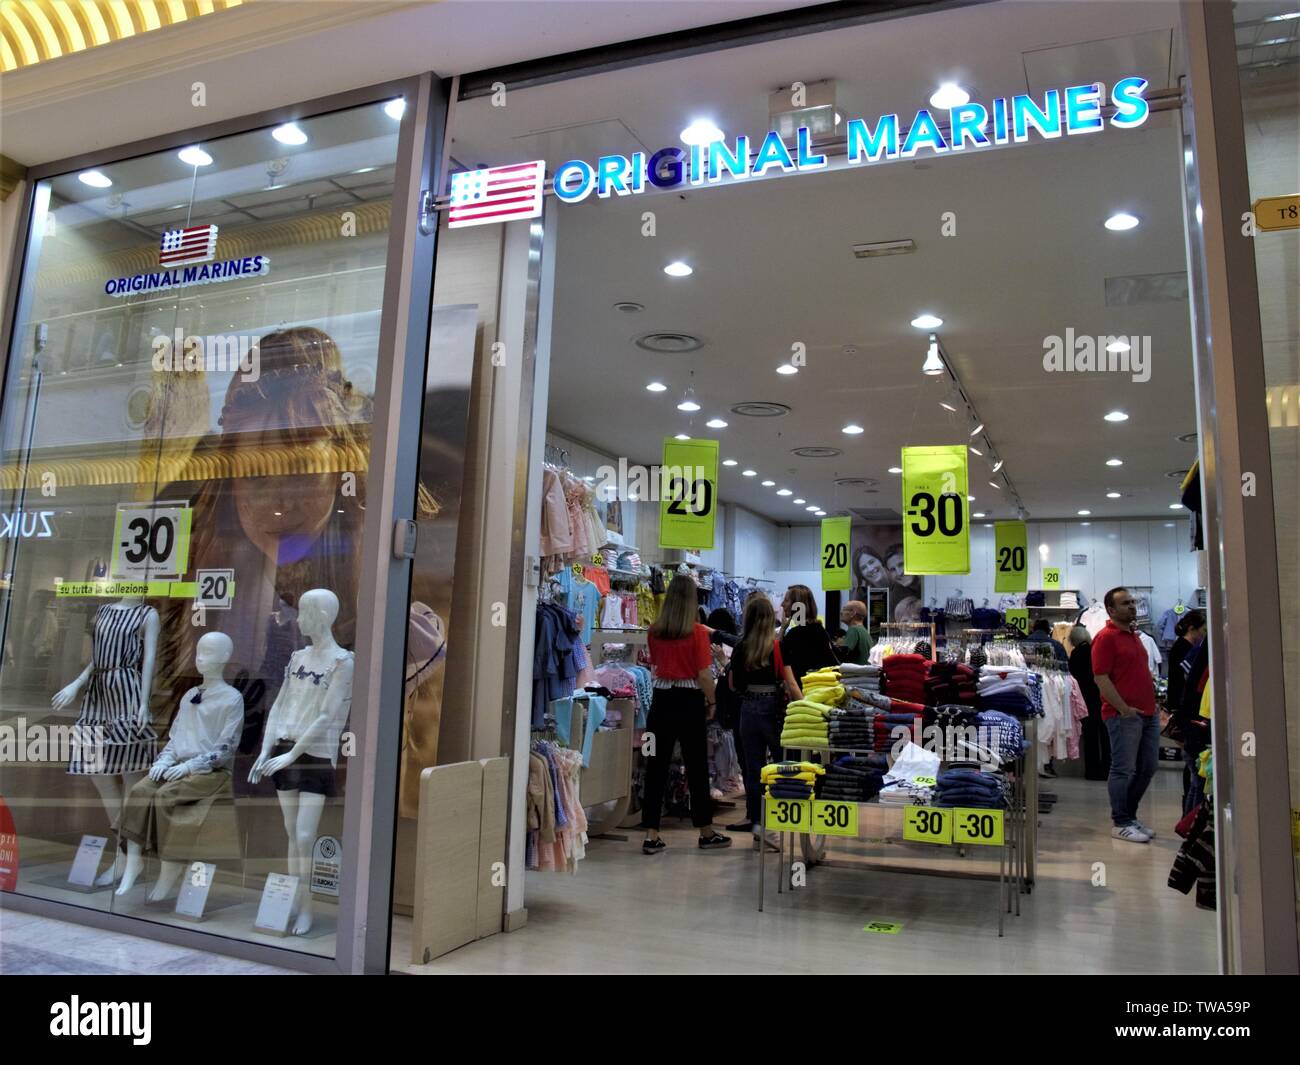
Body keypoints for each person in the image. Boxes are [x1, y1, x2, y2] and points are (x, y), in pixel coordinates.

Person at [641, 575, 731, 853]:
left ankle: (651, 834)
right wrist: (714, 700)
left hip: (661, 699)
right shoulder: (698, 633)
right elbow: (704, 675)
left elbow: (657, 665)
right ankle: (705, 831)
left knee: (655, 766)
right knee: (696, 766)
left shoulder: (654, 630)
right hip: (690, 701)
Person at [726, 596, 802, 842]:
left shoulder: (741, 647)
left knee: (754, 768)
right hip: (774, 709)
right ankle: (781, 819)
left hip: (748, 708)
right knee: (782, 765)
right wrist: (804, 708)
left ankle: (758, 822)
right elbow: (790, 683)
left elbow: (732, 684)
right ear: (771, 619)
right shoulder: (778, 646)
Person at [1092, 586, 1160, 843]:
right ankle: (1120, 821)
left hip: (1148, 713)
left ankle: (1129, 816)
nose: (1132, 606)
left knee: (1148, 766)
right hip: (1124, 715)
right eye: (1125, 603)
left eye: (1133, 602)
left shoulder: (1135, 636)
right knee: (1123, 769)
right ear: (1111, 610)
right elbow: (1101, 678)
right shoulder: (1105, 638)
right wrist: (1123, 708)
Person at [1166, 610, 1207, 815]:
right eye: (1202, 629)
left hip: (1184, 708)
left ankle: (1187, 817)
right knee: (1194, 771)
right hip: (1187, 710)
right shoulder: (1186, 649)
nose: (1204, 633)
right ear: (1193, 629)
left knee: (1192, 769)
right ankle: (1189, 819)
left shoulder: (1183, 647)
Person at [1065, 624, 1109, 780]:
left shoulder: (1076, 654)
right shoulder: (1095, 650)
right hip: (1102, 696)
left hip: (1085, 699)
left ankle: (1092, 770)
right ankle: (1107, 768)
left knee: (1090, 736)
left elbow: (1073, 678)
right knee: (1104, 734)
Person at [779, 584, 838, 686]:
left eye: (786, 600)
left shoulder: (796, 634)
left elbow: (779, 656)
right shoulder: (818, 628)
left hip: (806, 691)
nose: (782, 604)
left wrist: (783, 629)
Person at [835, 599, 874, 665]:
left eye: (844, 609)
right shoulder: (863, 631)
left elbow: (842, 655)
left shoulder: (853, 630)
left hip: (857, 674)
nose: (841, 612)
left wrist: (838, 646)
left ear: (853, 613)